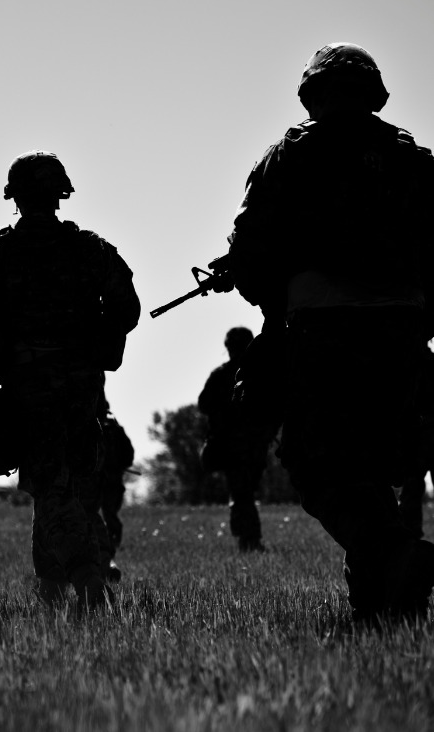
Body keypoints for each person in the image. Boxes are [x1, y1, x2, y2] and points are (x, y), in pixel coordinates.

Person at [226, 42, 434, 622]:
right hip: (404, 332)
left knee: (319, 467)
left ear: (312, 95)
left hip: (324, 328)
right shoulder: (414, 161)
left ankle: (396, 555)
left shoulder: (291, 156)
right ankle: (383, 605)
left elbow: (249, 253)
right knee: (371, 465)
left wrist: (275, 298)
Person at [0, 151, 140, 609]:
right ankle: (52, 588)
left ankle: (86, 577)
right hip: (81, 386)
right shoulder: (90, 250)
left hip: (26, 382)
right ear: (61, 193)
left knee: (51, 480)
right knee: (61, 480)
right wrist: (95, 348)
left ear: (14, 196)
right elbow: (127, 309)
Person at [197, 327, 270, 552]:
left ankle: (248, 540)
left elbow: (204, 404)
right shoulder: (261, 374)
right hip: (249, 445)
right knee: (243, 493)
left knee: (241, 494)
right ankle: (249, 540)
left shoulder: (223, 375)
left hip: (237, 446)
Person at [95, 390, 134, 581]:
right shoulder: (115, 427)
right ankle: (110, 550)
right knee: (110, 517)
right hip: (113, 481)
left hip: (95, 480)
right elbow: (129, 455)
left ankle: (105, 557)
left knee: (92, 516)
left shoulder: (92, 425)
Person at [398, 343, 434, 538]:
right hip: (420, 432)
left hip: (420, 433)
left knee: (412, 487)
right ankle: (410, 534)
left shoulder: (412, 363)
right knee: (412, 486)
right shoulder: (420, 362)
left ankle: (410, 534)